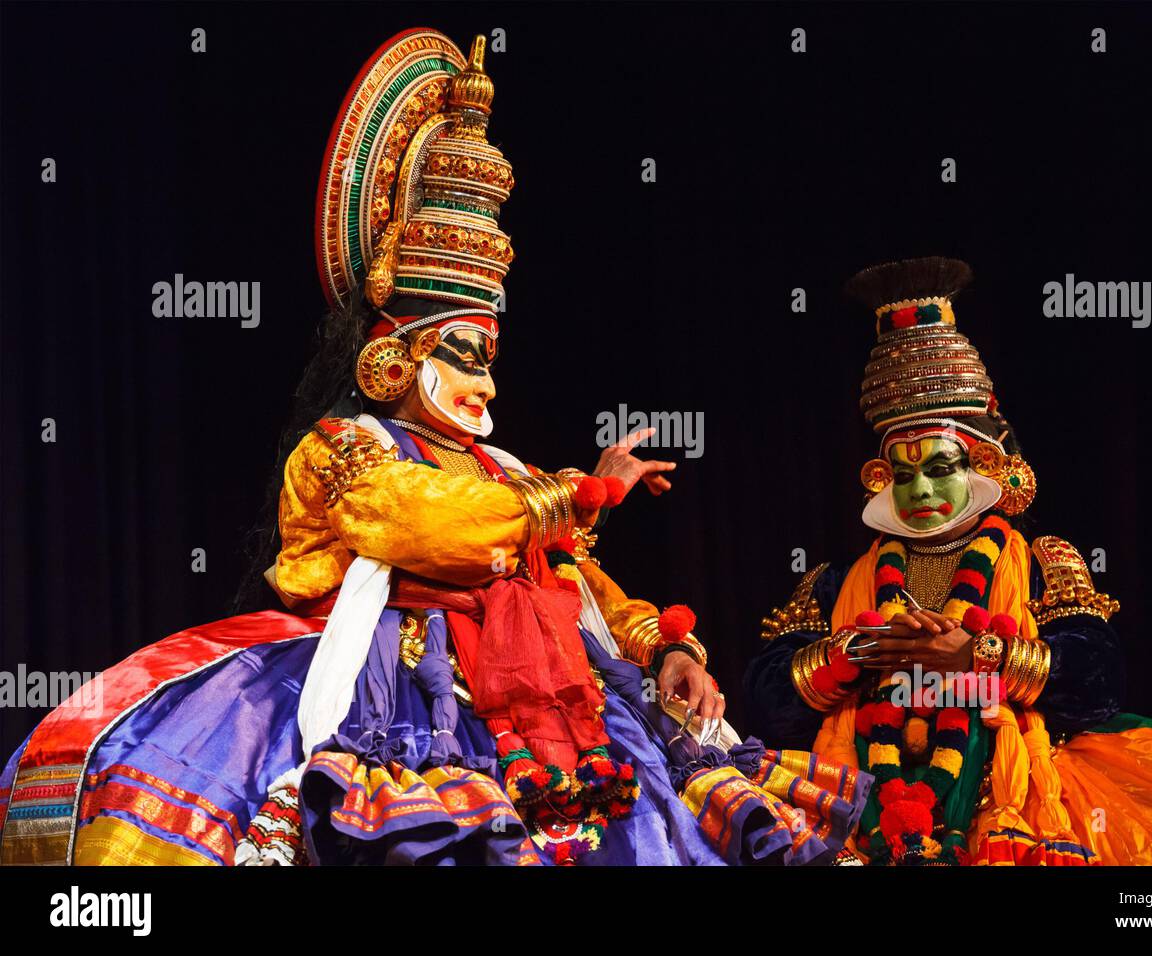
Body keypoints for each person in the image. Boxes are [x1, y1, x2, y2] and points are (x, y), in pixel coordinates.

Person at [0, 28, 864, 866]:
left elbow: (582, 590)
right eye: (465, 355)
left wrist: (664, 647)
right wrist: (578, 494)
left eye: (492, 360)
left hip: (558, 697)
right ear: (391, 357)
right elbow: (423, 525)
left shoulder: (509, 471)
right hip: (400, 694)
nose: (487, 385)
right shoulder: (345, 449)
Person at [744, 256, 1152, 865]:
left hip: (1017, 794)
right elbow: (769, 704)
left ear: (981, 466)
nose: (921, 492)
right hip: (856, 800)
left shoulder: (1040, 559)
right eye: (902, 475)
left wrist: (978, 655)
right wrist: (853, 654)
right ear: (880, 479)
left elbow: (1097, 683)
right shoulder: (836, 585)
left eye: (938, 468)